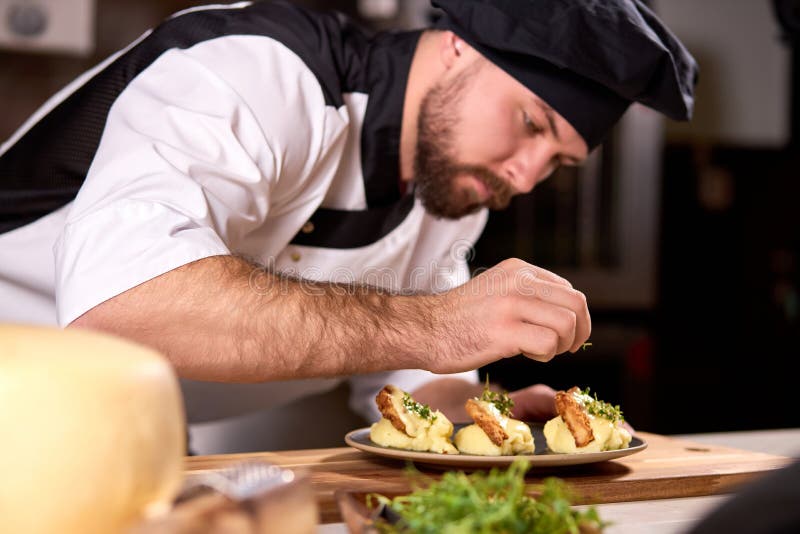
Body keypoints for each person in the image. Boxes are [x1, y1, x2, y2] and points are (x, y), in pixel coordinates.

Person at [0, 0, 696, 449]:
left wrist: (487, 415)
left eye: (558, 163)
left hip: (124, 434)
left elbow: (406, 378)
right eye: (529, 124)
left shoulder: (451, 181)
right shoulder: (258, 70)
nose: (524, 176)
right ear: (458, 45)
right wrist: (442, 323)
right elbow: (122, 308)